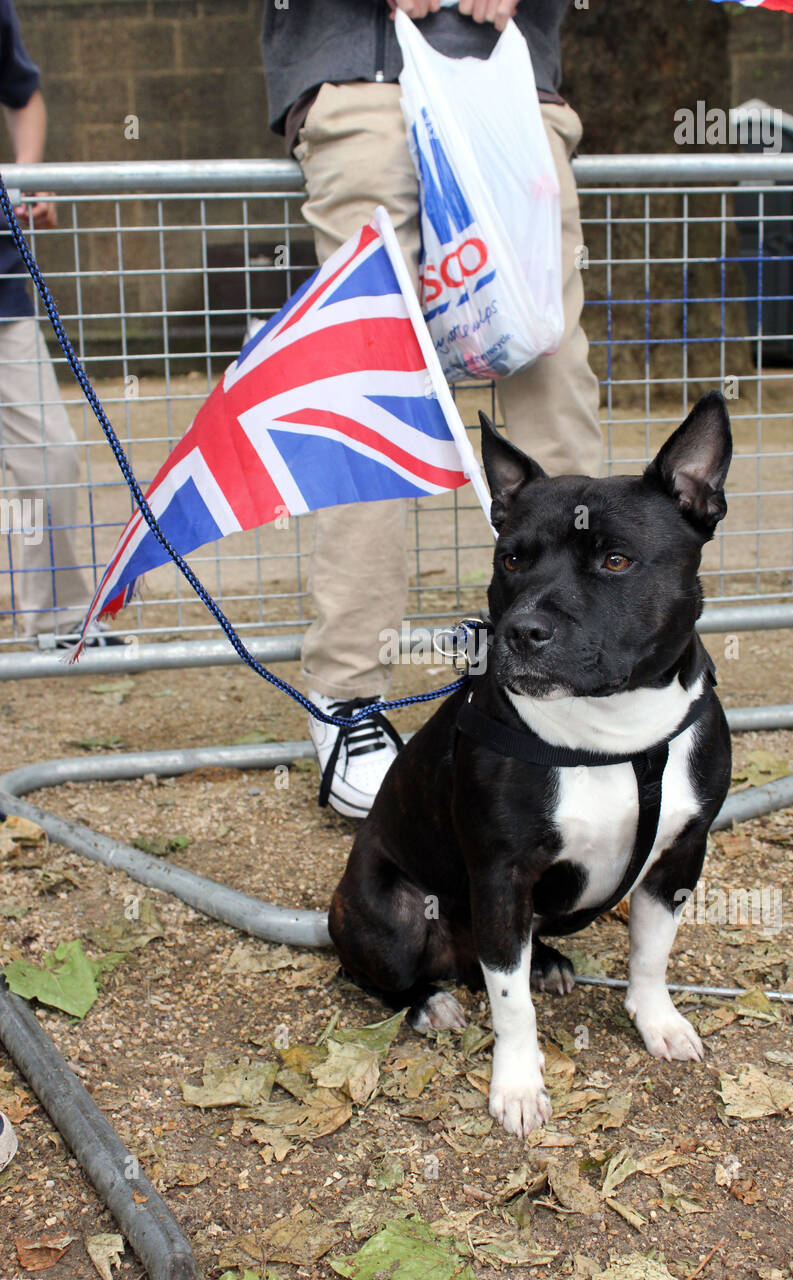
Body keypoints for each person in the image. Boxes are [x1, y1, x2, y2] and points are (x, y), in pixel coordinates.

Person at [261, 0, 603, 816]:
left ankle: (580, 665)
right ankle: (350, 697)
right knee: (371, 383)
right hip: (360, 80)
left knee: (551, 385)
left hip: (511, 87)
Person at [0, 0, 117, 648]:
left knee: (52, 455)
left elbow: (23, 93)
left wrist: (26, 178)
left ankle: (59, 621)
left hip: (1, 289)